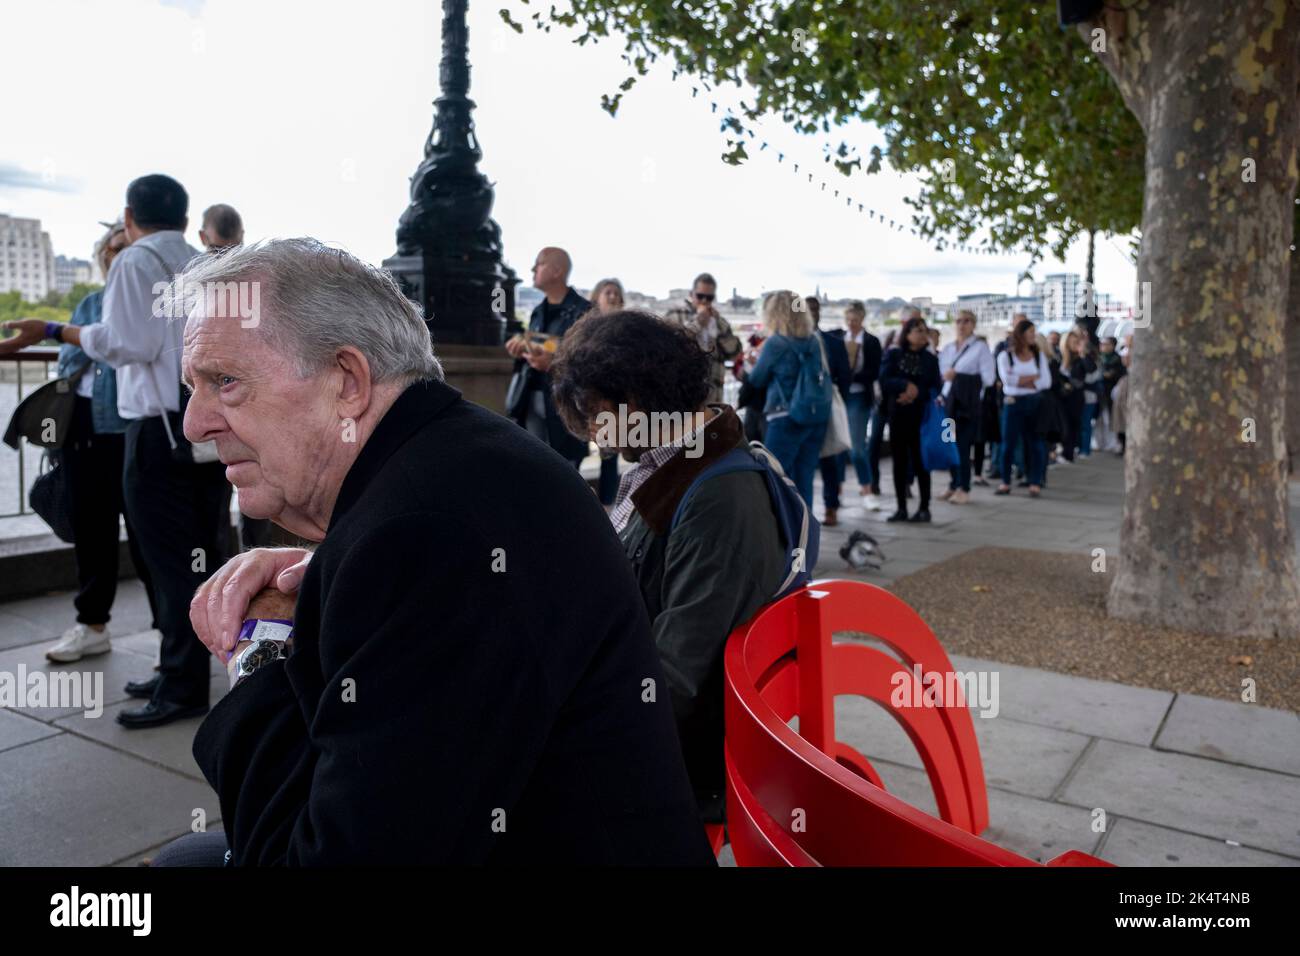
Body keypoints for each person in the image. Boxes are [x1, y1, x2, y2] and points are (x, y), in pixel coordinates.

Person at [161, 239, 715, 866]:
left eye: (225, 382)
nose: (194, 422)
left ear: (347, 381)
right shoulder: (456, 466)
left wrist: (261, 643)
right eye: (193, 386)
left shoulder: (429, 538)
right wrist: (327, 575)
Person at [3, 174, 226, 728]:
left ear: (131, 216)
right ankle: (182, 667)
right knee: (196, 553)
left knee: (167, 560)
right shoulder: (202, 263)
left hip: (155, 430)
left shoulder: (136, 259)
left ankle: (182, 685)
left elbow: (128, 344)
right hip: (201, 423)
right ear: (184, 214)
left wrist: (58, 329)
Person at [549, 310, 789, 824]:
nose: (594, 437)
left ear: (632, 405)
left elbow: (675, 676)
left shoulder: (718, 498)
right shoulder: (685, 464)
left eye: (595, 416)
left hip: (683, 761)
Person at [20, 221, 161, 662]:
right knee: (92, 532)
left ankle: (170, 632)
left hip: (132, 429)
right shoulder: (92, 303)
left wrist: (93, 337)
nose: (118, 256)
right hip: (84, 433)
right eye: (111, 250)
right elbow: (70, 358)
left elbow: (128, 354)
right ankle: (92, 624)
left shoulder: (156, 306)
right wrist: (94, 336)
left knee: (149, 537)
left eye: (126, 247)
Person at [504, 247, 590, 467]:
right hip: (531, 398)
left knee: (566, 470)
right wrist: (522, 349)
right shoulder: (538, 311)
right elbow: (547, 344)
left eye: (539, 263)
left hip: (564, 405)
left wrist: (538, 349)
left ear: (557, 271)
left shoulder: (583, 310)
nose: (533, 269)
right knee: (534, 465)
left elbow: (582, 353)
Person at [745, 290, 829, 507]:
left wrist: (748, 365)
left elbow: (757, 379)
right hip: (814, 416)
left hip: (785, 416)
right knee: (804, 479)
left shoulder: (776, 343)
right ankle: (806, 534)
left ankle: (786, 535)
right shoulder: (813, 341)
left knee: (776, 479)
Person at [879, 315, 941, 522]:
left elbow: (935, 386)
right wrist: (904, 387)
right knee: (899, 462)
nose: (923, 334)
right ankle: (901, 507)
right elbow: (884, 380)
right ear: (908, 334)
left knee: (921, 461)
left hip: (920, 416)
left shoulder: (930, 359)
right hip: (898, 414)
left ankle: (924, 507)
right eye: (918, 330)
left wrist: (915, 393)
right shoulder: (894, 355)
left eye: (925, 330)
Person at [937, 310, 995, 504]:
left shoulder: (980, 348)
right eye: (959, 321)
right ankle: (953, 483)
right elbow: (941, 376)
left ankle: (964, 486)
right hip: (947, 404)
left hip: (966, 406)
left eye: (967, 321)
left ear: (973, 324)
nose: (962, 325)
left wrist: (959, 377)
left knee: (962, 446)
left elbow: (989, 378)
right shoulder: (948, 349)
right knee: (948, 444)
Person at [995, 318, 1052, 497]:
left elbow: (1045, 382)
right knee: (1008, 444)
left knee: (1035, 443)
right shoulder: (1006, 356)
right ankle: (1005, 481)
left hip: (1034, 403)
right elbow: (1008, 382)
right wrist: (1031, 379)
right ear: (1021, 334)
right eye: (1030, 332)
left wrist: (1021, 381)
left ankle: (1035, 481)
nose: (1033, 336)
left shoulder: (1038, 356)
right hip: (1013, 402)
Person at [664, 273, 741, 404]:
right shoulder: (676, 315)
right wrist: (697, 324)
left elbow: (734, 353)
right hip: (682, 394)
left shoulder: (719, 321)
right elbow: (670, 347)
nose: (704, 301)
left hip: (712, 396)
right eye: (700, 296)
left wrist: (719, 326)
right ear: (691, 294)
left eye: (709, 298)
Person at [808, 296, 851, 526]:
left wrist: (836, 401)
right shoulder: (794, 341)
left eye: (815, 309)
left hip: (827, 408)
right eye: (808, 309)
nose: (812, 313)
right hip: (803, 411)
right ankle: (804, 511)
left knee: (830, 459)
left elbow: (844, 374)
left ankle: (831, 506)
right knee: (805, 464)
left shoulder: (832, 342)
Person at [840, 301, 883, 510]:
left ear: (862, 319)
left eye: (855, 320)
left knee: (857, 447)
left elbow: (874, 372)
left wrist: (852, 375)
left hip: (858, 395)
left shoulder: (872, 342)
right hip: (840, 397)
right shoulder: (838, 337)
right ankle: (837, 490)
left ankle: (867, 488)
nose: (851, 324)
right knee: (837, 447)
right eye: (848, 320)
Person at [587, 278, 625, 506]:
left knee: (611, 452)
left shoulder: (624, 327)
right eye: (608, 292)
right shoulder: (588, 328)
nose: (612, 297)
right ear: (597, 297)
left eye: (616, 293)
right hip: (593, 396)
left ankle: (608, 504)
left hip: (616, 397)